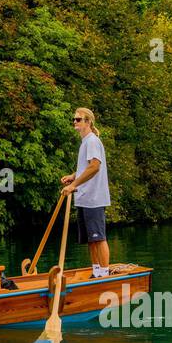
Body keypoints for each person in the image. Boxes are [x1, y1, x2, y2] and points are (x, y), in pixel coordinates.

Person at [61, 107, 112, 278]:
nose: (75, 122)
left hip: (94, 198)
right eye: (74, 119)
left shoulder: (92, 141)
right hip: (84, 198)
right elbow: (86, 167)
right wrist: (72, 177)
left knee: (99, 237)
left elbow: (95, 166)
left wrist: (73, 185)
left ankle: (104, 274)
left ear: (88, 122)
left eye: (78, 119)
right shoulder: (85, 143)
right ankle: (96, 272)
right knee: (91, 239)